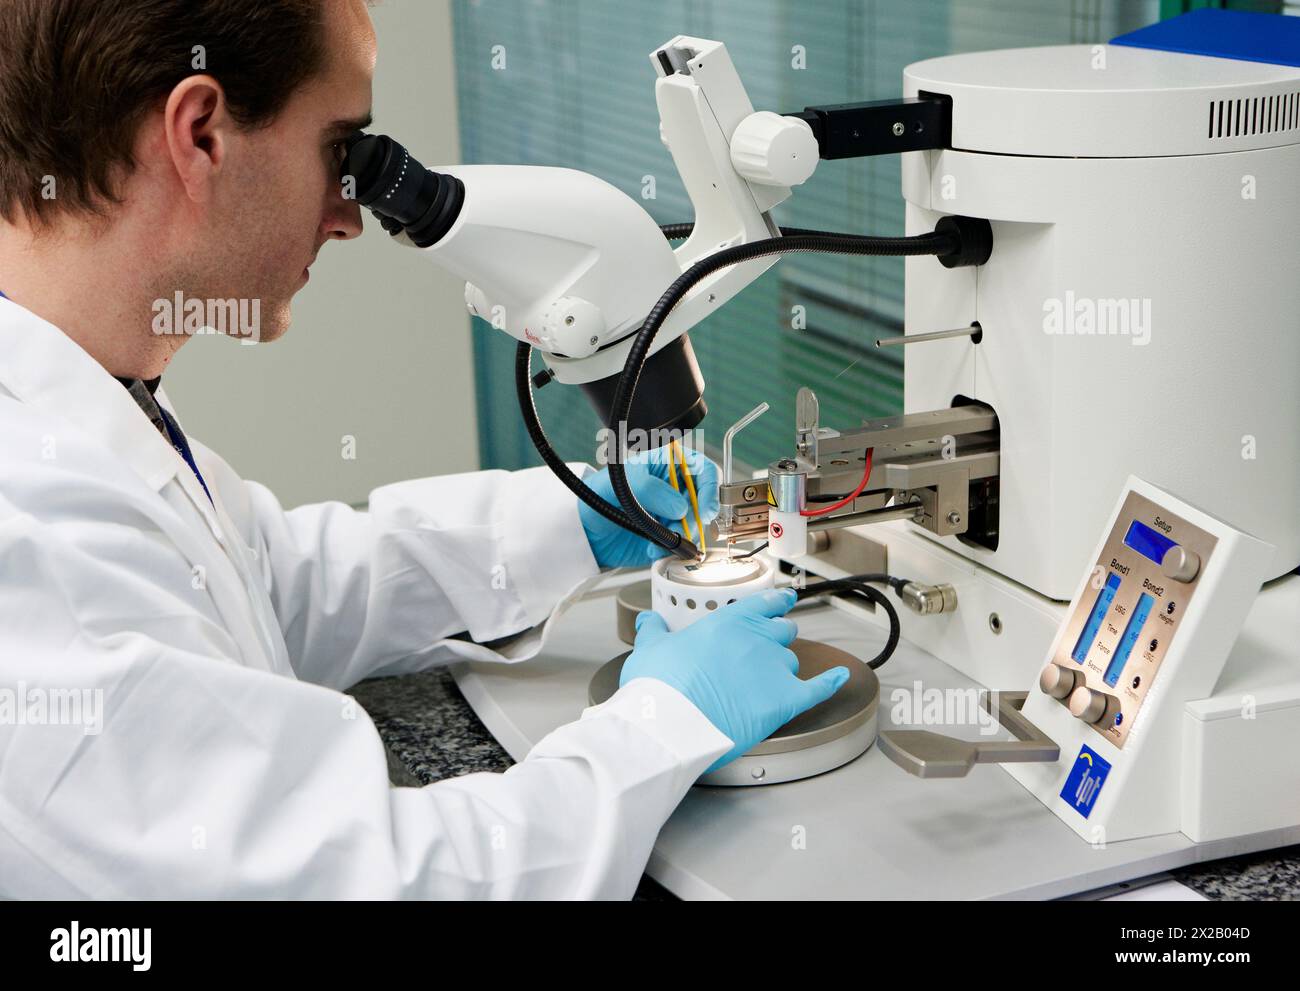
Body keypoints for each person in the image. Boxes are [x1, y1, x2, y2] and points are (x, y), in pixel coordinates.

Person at [0, 0, 846, 899]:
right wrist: (668, 722)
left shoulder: (91, 407)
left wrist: (575, 520)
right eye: (342, 152)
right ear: (201, 133)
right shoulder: (34, 533)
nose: (350, 216)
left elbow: (271, 588)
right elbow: (379, 880)